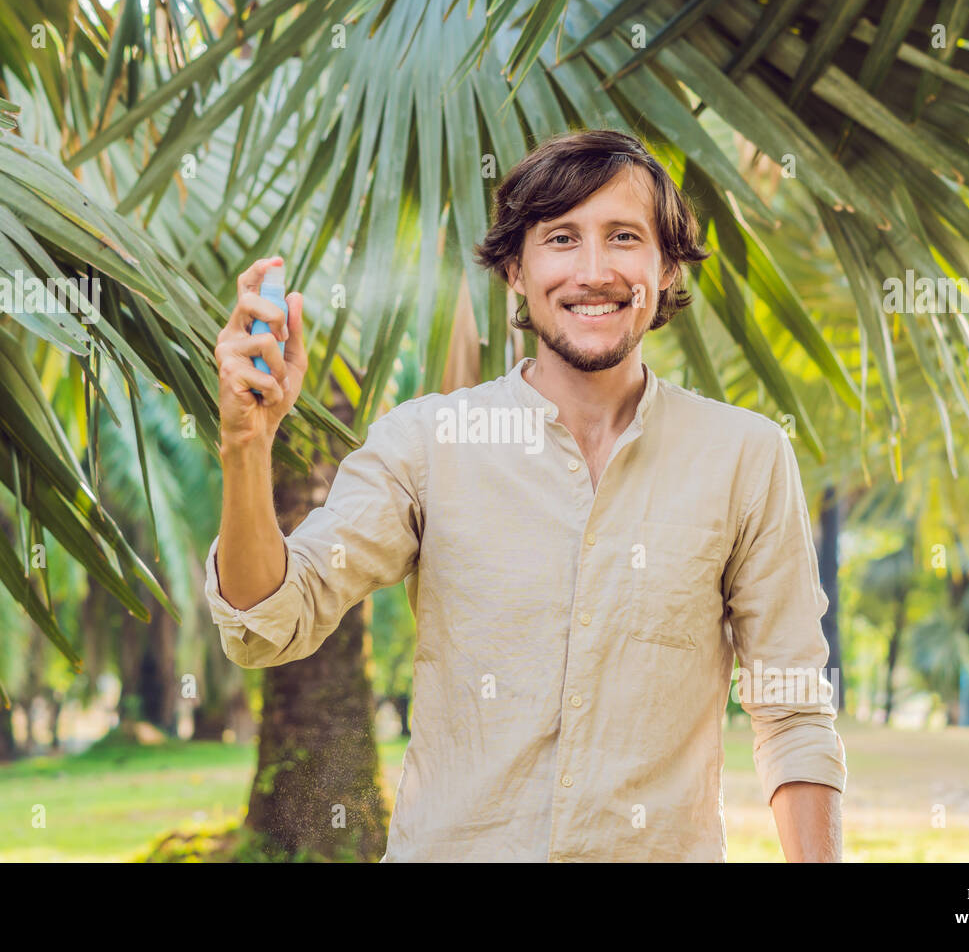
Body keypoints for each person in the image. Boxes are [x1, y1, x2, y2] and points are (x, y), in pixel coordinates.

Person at [207, 129, 846, 861]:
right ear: (516, 267)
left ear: (667, 267)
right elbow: (266, 622)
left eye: (625, 237)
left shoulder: (745, 456)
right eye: (562, 238)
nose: (595, 270)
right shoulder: (428, 443)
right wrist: (246, 447)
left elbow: (793, 710)